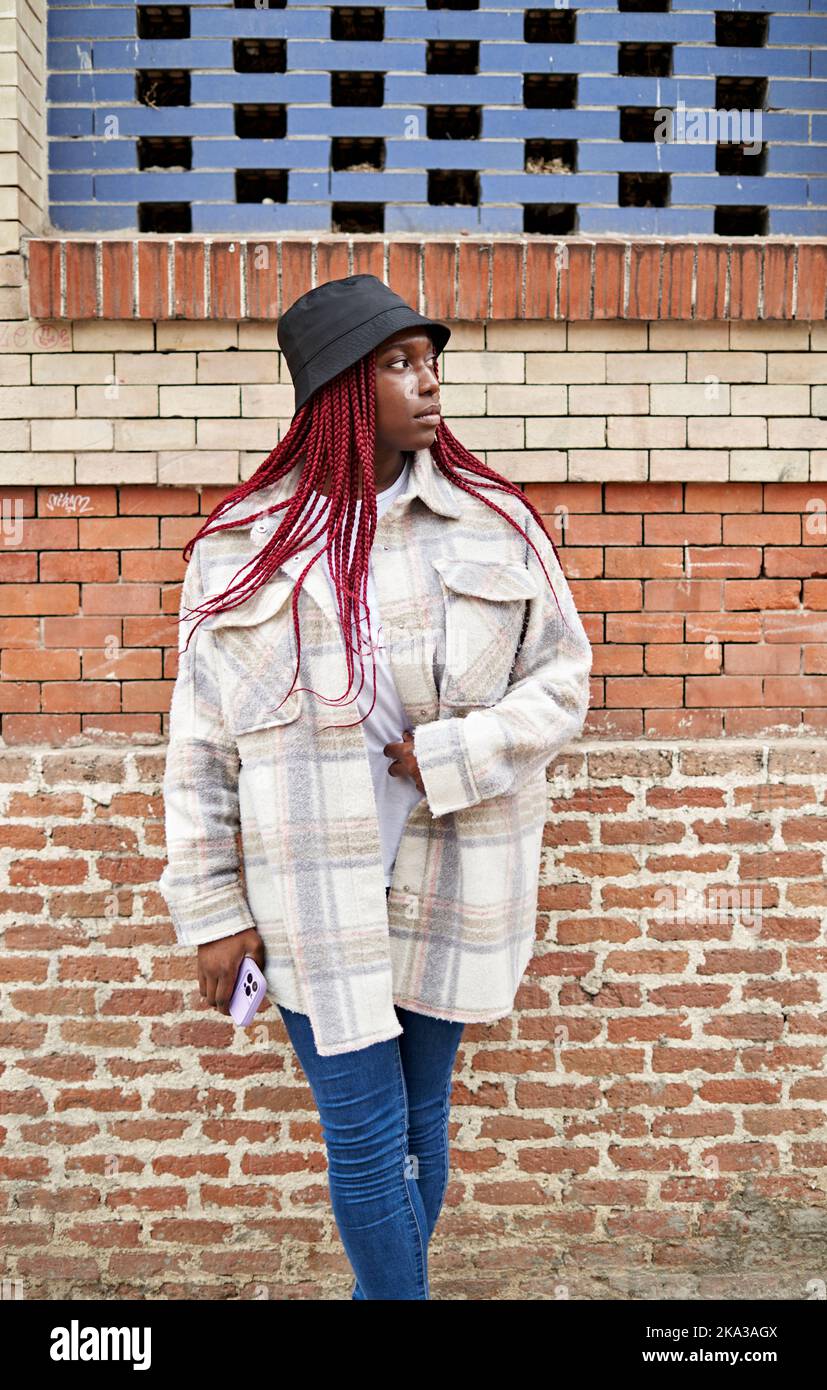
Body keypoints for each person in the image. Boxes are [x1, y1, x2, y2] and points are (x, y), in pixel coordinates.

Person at [159, 274, 593, 1299]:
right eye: (398, 364)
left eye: (430, 359)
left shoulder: (493, 524)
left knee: (419, 1123)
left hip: (455, 873)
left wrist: (456, 751)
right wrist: (213, 911)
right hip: (314, 895)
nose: (428, 382)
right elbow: (197, 746)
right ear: (342, 391)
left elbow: (562, 681)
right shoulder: (242, 549)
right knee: (363, 1136)